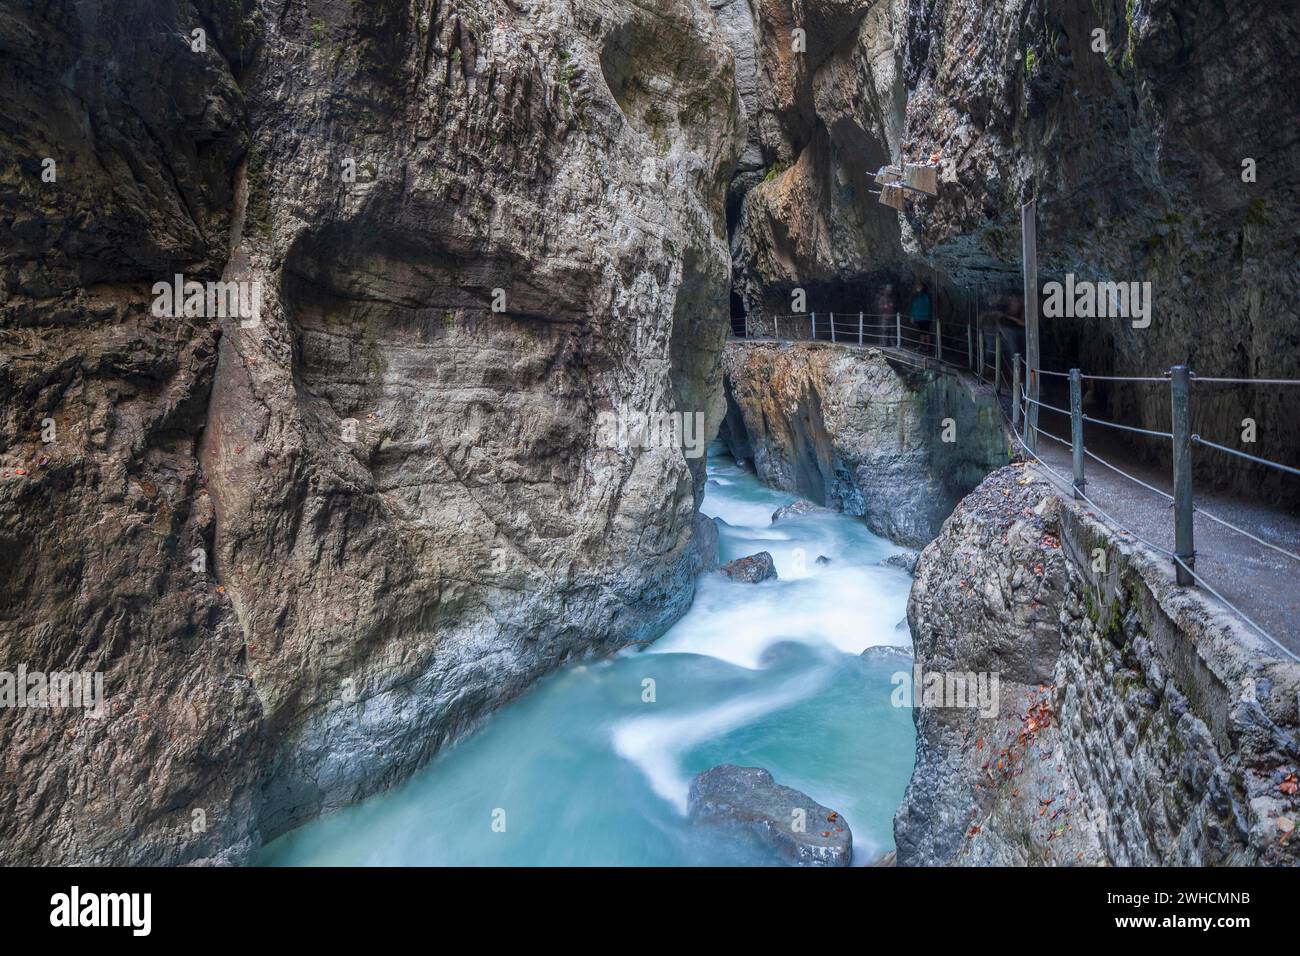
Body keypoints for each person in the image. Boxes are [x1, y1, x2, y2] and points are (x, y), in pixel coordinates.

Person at [909, 281, 932, 349]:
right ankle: (923, 345)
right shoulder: (917, 297)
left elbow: (927, 306)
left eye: (918, 286)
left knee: (925, 332)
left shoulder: (924, 297)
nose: (917, 288)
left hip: (924, 317)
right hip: (920, 317)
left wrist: (913, 316)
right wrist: (912, 316)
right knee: (922, 331)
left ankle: (926, 346)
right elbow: (914, 307)